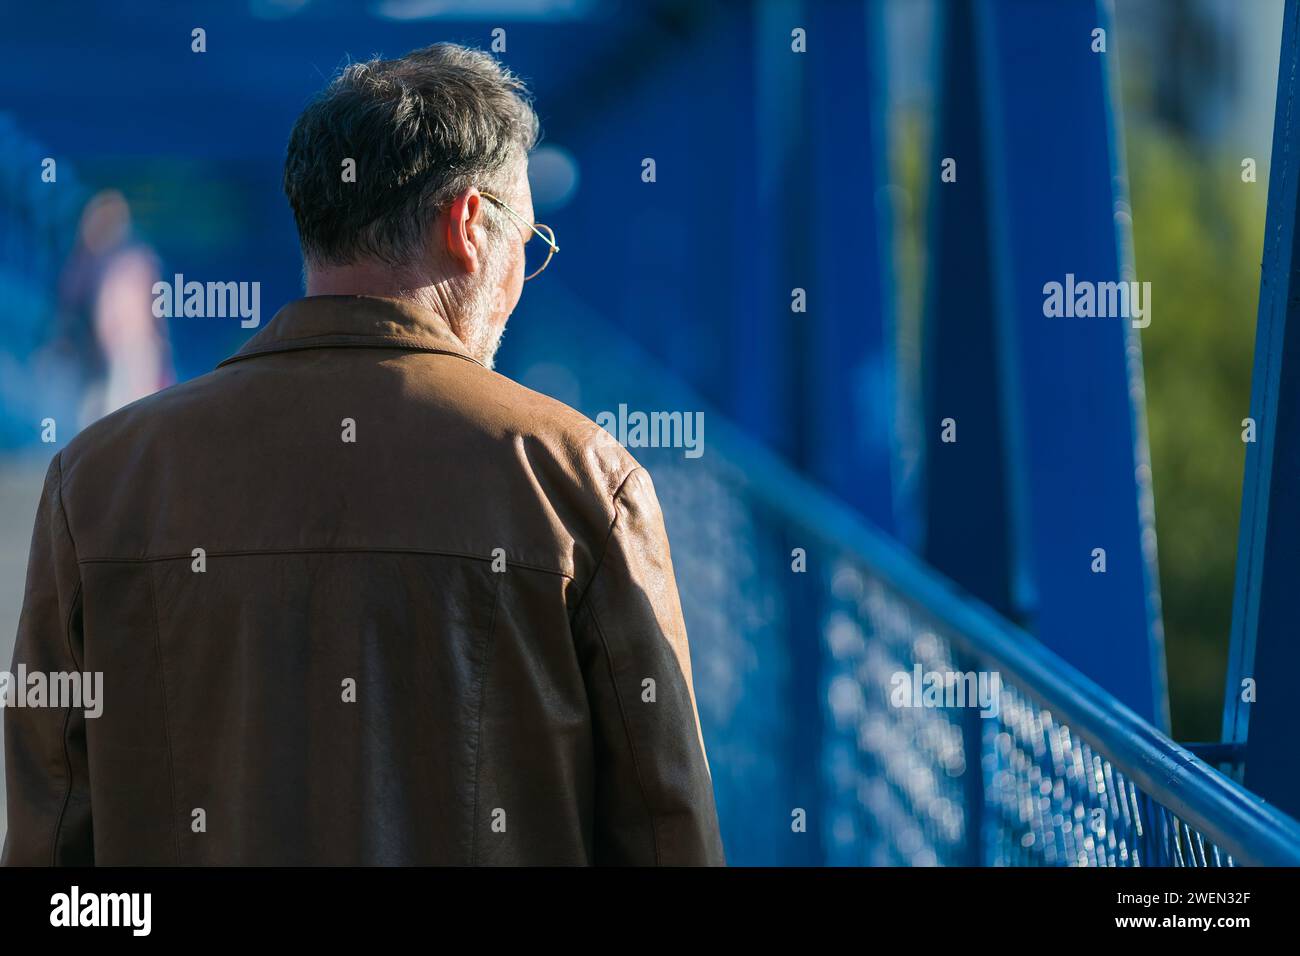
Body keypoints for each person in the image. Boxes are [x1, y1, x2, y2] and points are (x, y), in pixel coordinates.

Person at [2, 43, 724, 866]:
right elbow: (667, 834)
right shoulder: (580, 478)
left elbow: (52, 838)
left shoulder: (98, 481)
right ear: (468, 226)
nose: (527, 269)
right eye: (530, 240)